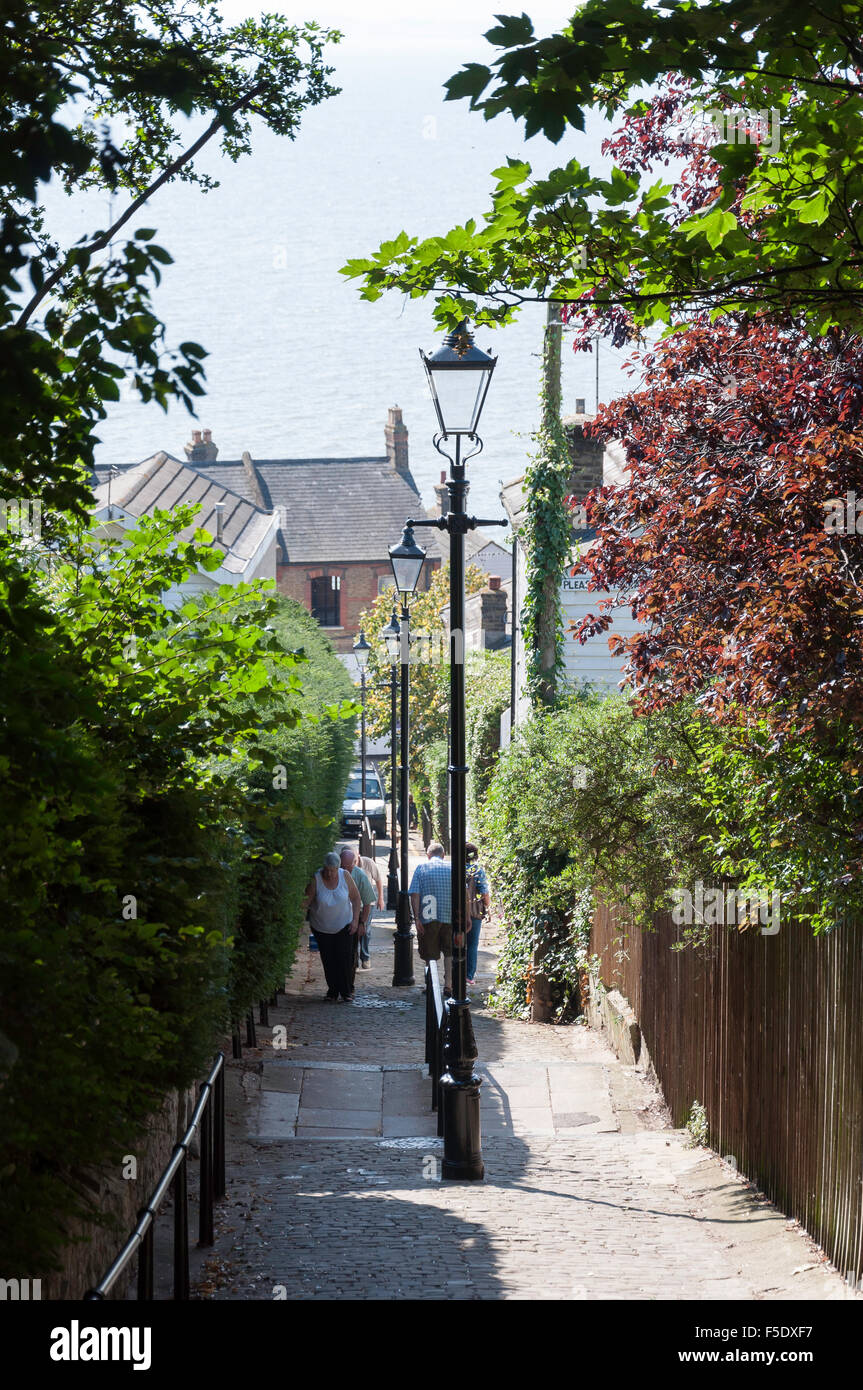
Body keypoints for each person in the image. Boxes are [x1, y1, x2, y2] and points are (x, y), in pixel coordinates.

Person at [303, 852, 362, 1002]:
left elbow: (356, 898)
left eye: (332, 870)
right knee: (329, 959)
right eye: (327, 870)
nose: (329, 873)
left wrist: (355, 920)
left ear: (338, 868)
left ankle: (346, 991)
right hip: (322, 927)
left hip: (344, 924)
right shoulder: (316, 879)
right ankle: (333, 991)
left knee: (344, 957)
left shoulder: (345, 876)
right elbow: (306, 902)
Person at [409, 841, 453, 994]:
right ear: (443, 855)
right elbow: (464, 894)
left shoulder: (421, 868)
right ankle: (448, 986)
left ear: (428, 856)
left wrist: (416, 917)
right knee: (449, 952)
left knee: (430, 953)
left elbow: (414, 894)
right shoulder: (452, 868)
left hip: (428, 916)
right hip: (450, 916)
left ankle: (431, 986)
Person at [340, 847, 377, 974]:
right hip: (339, 914)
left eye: (348, 867)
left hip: (356, 913)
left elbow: (367, 902)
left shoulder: (360, 875)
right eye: (342, 866)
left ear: (354, 863)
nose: (345, 870)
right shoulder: (334, 872)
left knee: (353, 946)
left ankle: (352, 968)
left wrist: (362, 923)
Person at [465, 842, 491, 987]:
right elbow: (484, 892)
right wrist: (488, 907)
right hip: (475, 911)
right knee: (472, 944)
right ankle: (469, 976)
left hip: (457, 911)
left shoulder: (454, 869)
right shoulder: (477, 870)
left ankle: (456, 972)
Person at [357, 849, 385, 967]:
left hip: (368, 902)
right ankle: (353, 959)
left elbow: (378, 880)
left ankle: (365, 957)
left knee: (365, 930)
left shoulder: (368, 863)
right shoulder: (345, 866)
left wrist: (380, 898)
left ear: (358, 857)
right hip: (352, 904)